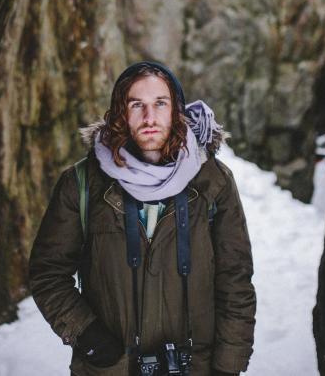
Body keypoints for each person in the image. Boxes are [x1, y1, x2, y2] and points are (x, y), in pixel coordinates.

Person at [29, 61, 256, 376]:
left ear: (176, 111)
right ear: (119, 113)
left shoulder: (213, 182)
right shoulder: (82, 183)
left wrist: (228, 366)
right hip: (111, 369)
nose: (150, 117)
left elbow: (235, 280)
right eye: (136, 105)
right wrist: (87, 334)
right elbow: (47, 272)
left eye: (160, 103)